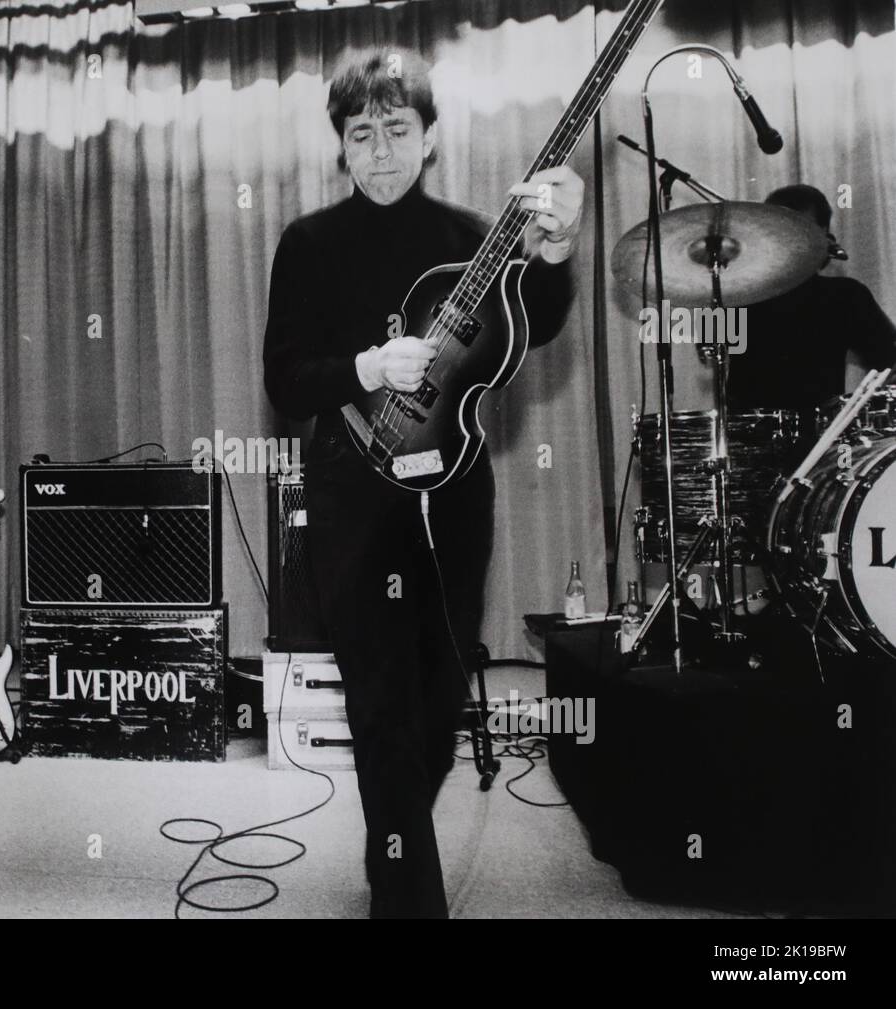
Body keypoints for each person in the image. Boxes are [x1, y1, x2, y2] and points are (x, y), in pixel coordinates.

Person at [262, 49, 582, 917]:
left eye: (397, 130)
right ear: (341, 146)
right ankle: (408, 893)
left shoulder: (473, 238)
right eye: (360, 135)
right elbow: (285, 380)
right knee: (376, 700)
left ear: (431, 136)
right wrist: (366, 364)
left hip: (456, 492)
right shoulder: (309, 243)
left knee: (440, 700)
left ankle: (390, 830)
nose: (380, 152)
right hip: (350, 492)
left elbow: (537, 322)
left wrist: (555, 247)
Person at [728, 184, 896, 413]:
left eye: (800, 228)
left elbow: (890, 358)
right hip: (746, 440)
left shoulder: (845, 295)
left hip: (821, 439)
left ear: (825, 235)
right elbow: (708, 344)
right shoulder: (737, 294)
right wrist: (723, 274)